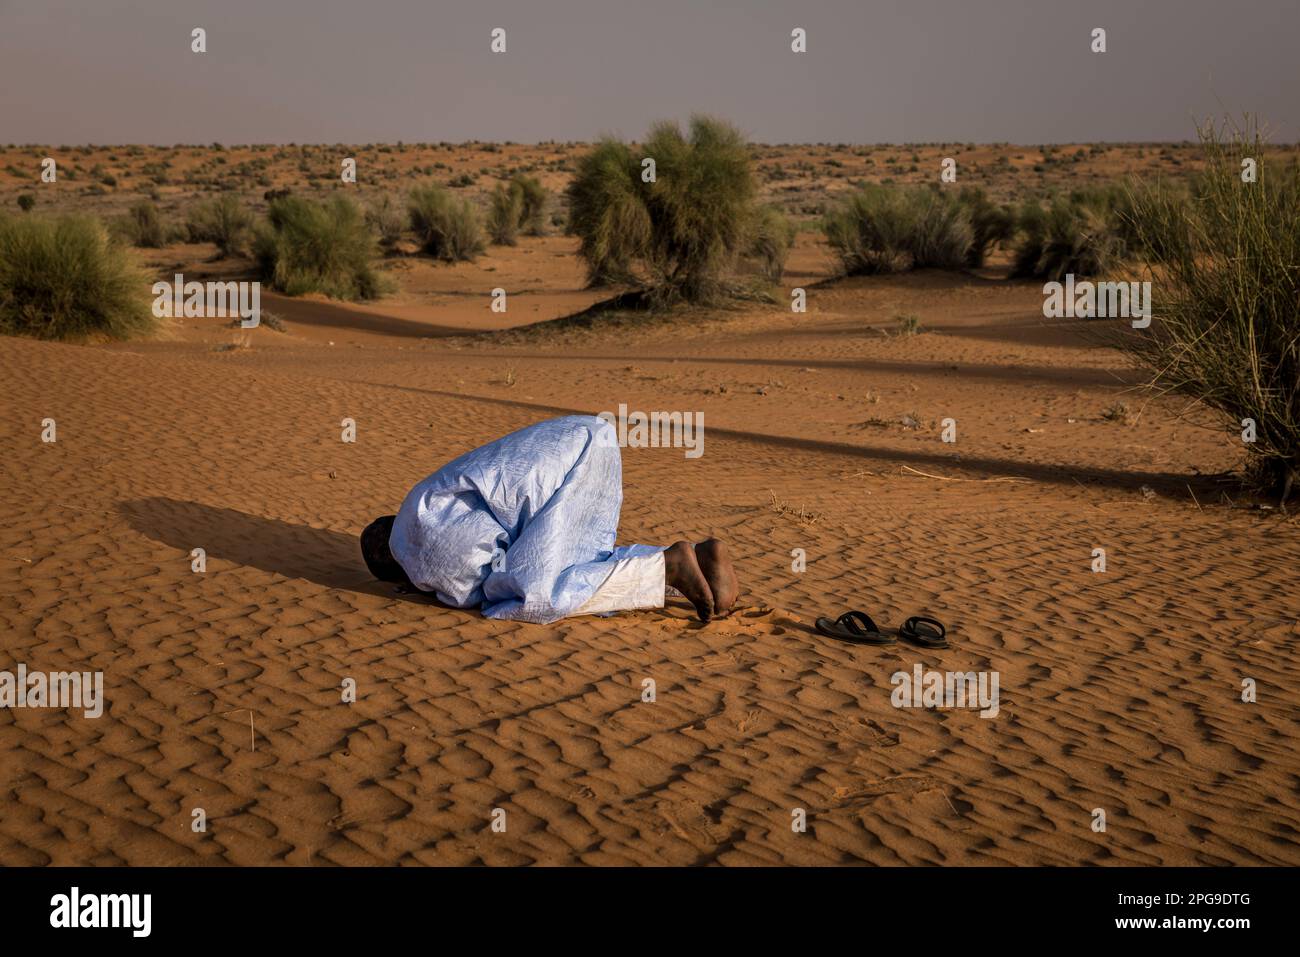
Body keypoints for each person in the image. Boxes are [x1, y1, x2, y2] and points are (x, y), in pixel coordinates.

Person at [360, 415, 737, 624]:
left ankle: (666, 568)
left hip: (555, 468)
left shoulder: (416, 538)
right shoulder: (427, 499)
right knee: (576, 558)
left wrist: (443, 591)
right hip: (585, 437)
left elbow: (460, 576)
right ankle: (700, 562)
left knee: (531, 596)